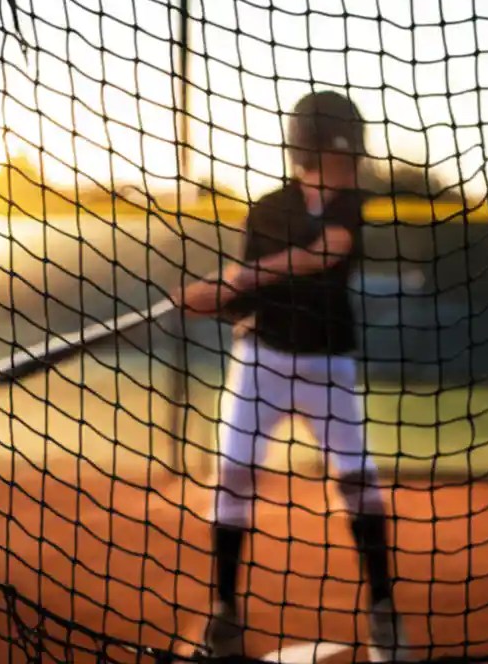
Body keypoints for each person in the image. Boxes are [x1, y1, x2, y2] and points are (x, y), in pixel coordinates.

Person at [174, 90, 409, 661]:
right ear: (318, 145)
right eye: (342, 145)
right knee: (232, 478)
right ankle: (225, 609)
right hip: (264, 363)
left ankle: (382, 607)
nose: (350, 156)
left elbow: (324, 253)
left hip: (329, 366)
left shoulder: (350, 204)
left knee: (359, 482)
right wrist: (212, 299)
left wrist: (240, 276)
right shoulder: (269, 207)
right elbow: (244, 302)